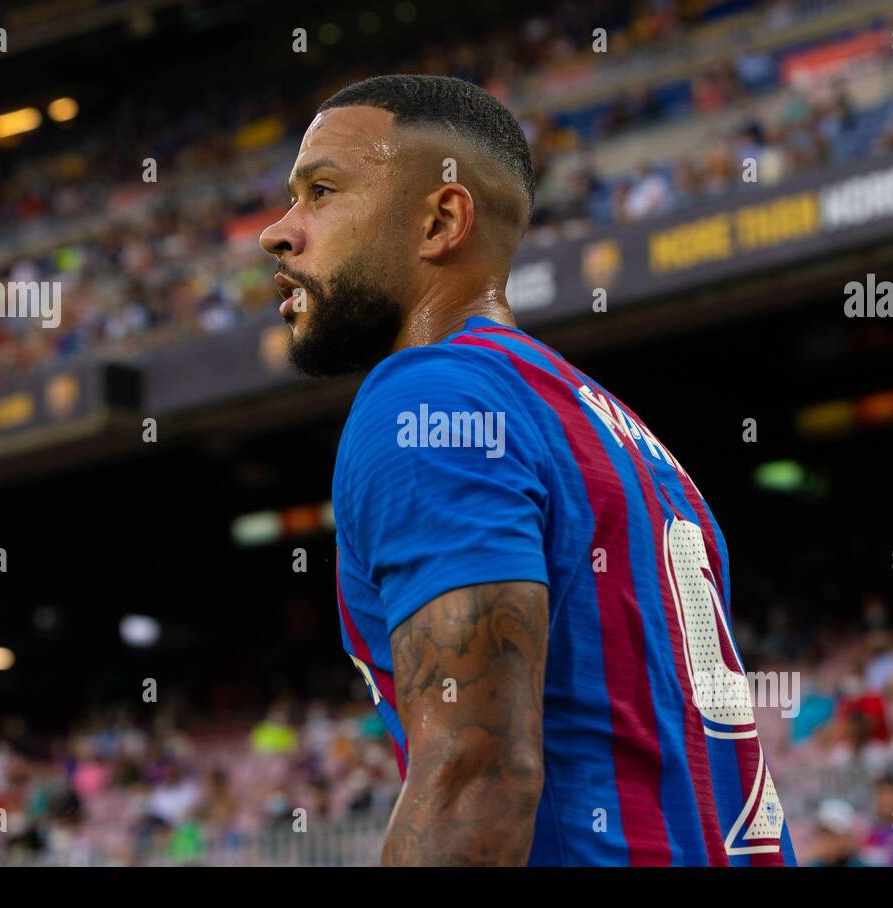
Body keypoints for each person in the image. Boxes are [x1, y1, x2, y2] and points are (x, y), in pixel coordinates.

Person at [259, 74, 795, 866]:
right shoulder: (630, 437)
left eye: (322, 192)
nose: (278, 232)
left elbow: (476, 777)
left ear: (440, 220)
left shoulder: (428, 399)